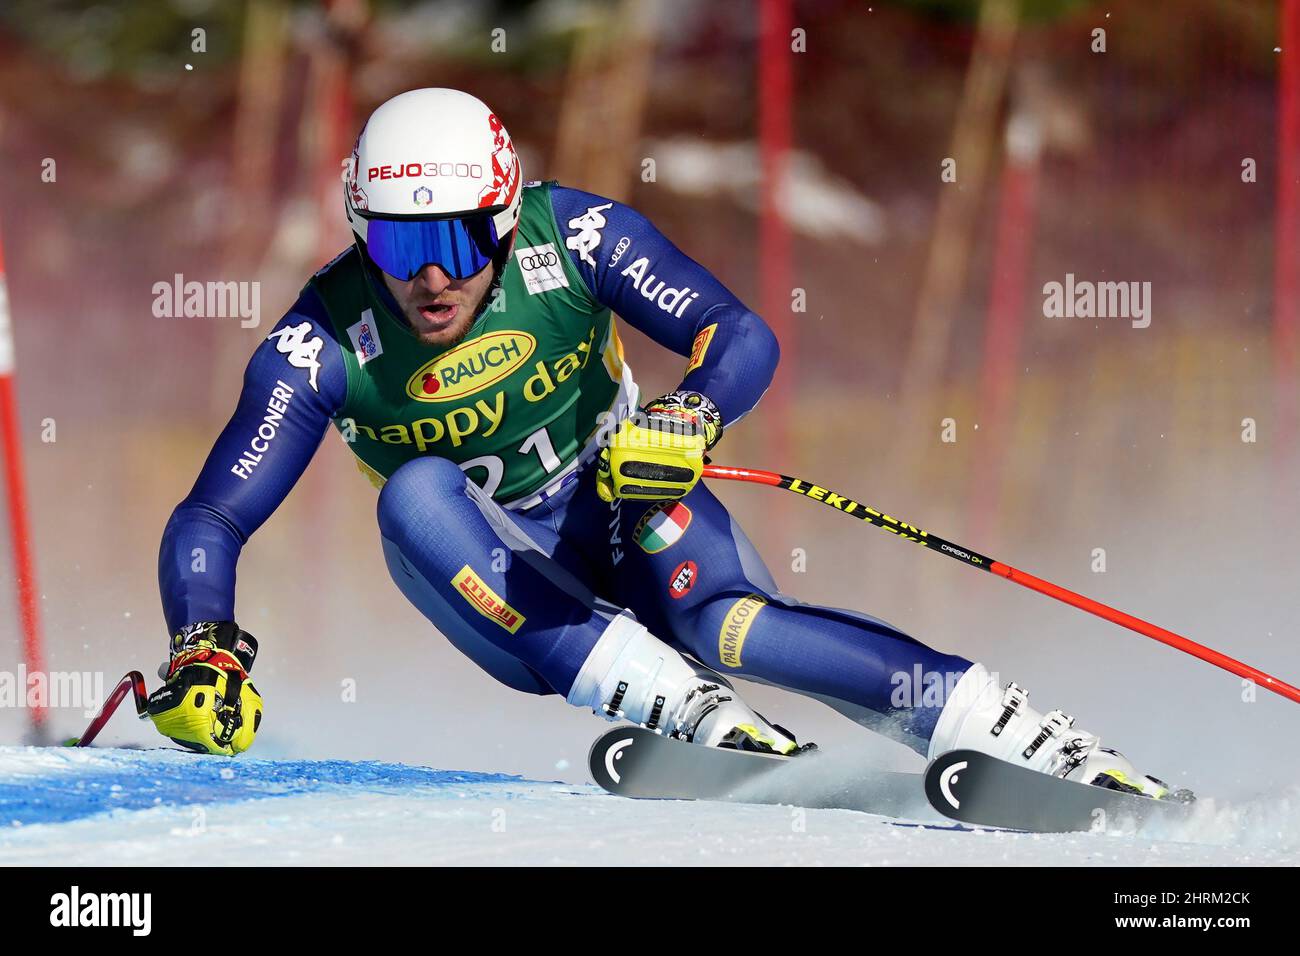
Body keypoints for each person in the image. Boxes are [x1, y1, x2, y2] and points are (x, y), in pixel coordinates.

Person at [152, 88, 1178, 800]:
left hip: (621, 499)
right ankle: (674, 706)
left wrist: (687, 415)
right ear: (359, 229)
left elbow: (738, 334)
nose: (430, 278)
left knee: (731, 626)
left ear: (506, 218)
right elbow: (214, 513)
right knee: (413, 488)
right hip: (493, 581)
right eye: (398, 244)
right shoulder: (321, 337)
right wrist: (203, 641)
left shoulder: (578, 237)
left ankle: (1010, 731)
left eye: (458, 239)